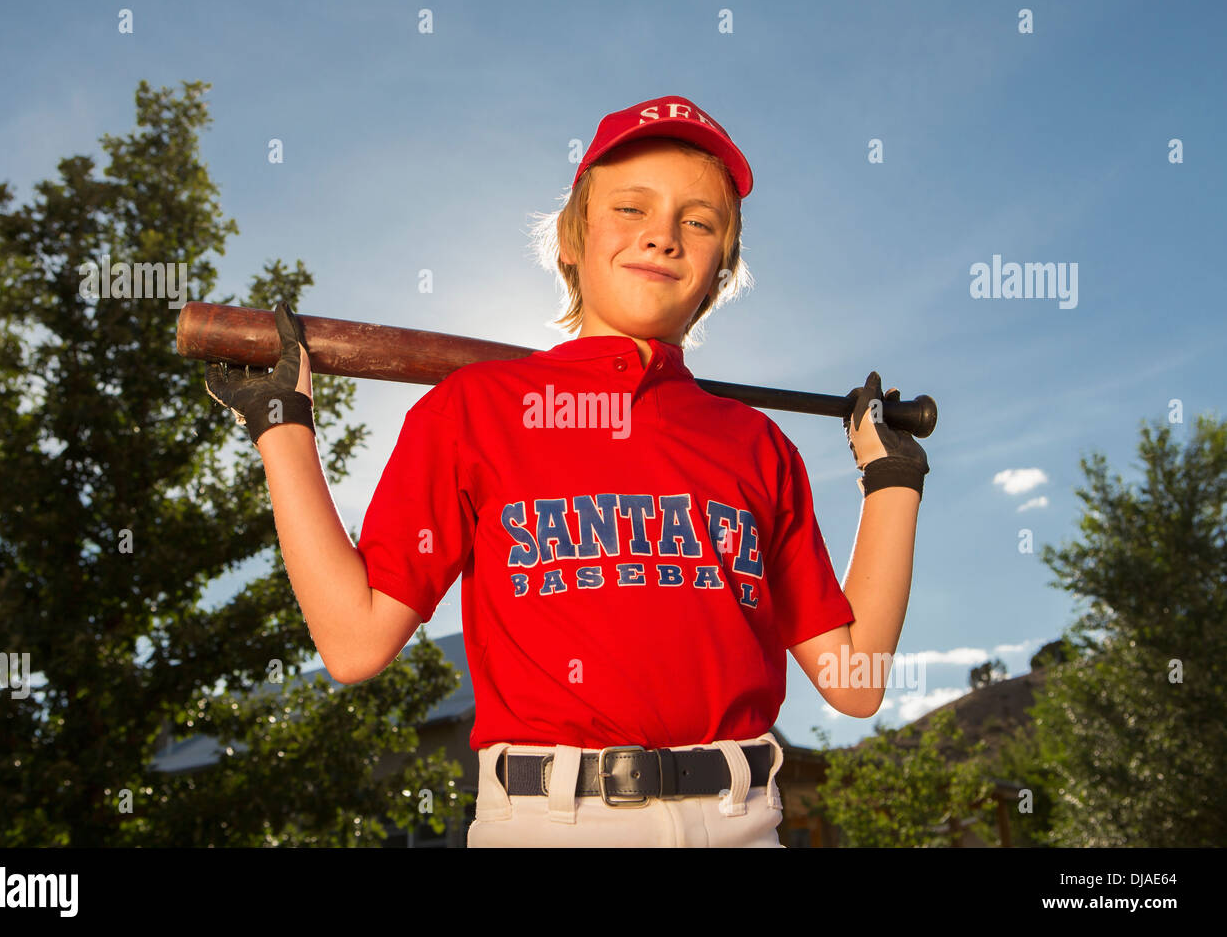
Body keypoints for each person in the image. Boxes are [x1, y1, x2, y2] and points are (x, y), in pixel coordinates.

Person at [204, 94, 929, 847]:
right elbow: (354, 643)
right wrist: (281, 427)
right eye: (629, 209)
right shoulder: (475, 411)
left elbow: (854, 682)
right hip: (552, 823)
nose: (663, 236)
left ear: (719, 273)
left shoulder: (756, 445)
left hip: (742, 821)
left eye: (699, 221)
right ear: (573, 239)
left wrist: (892, 483)